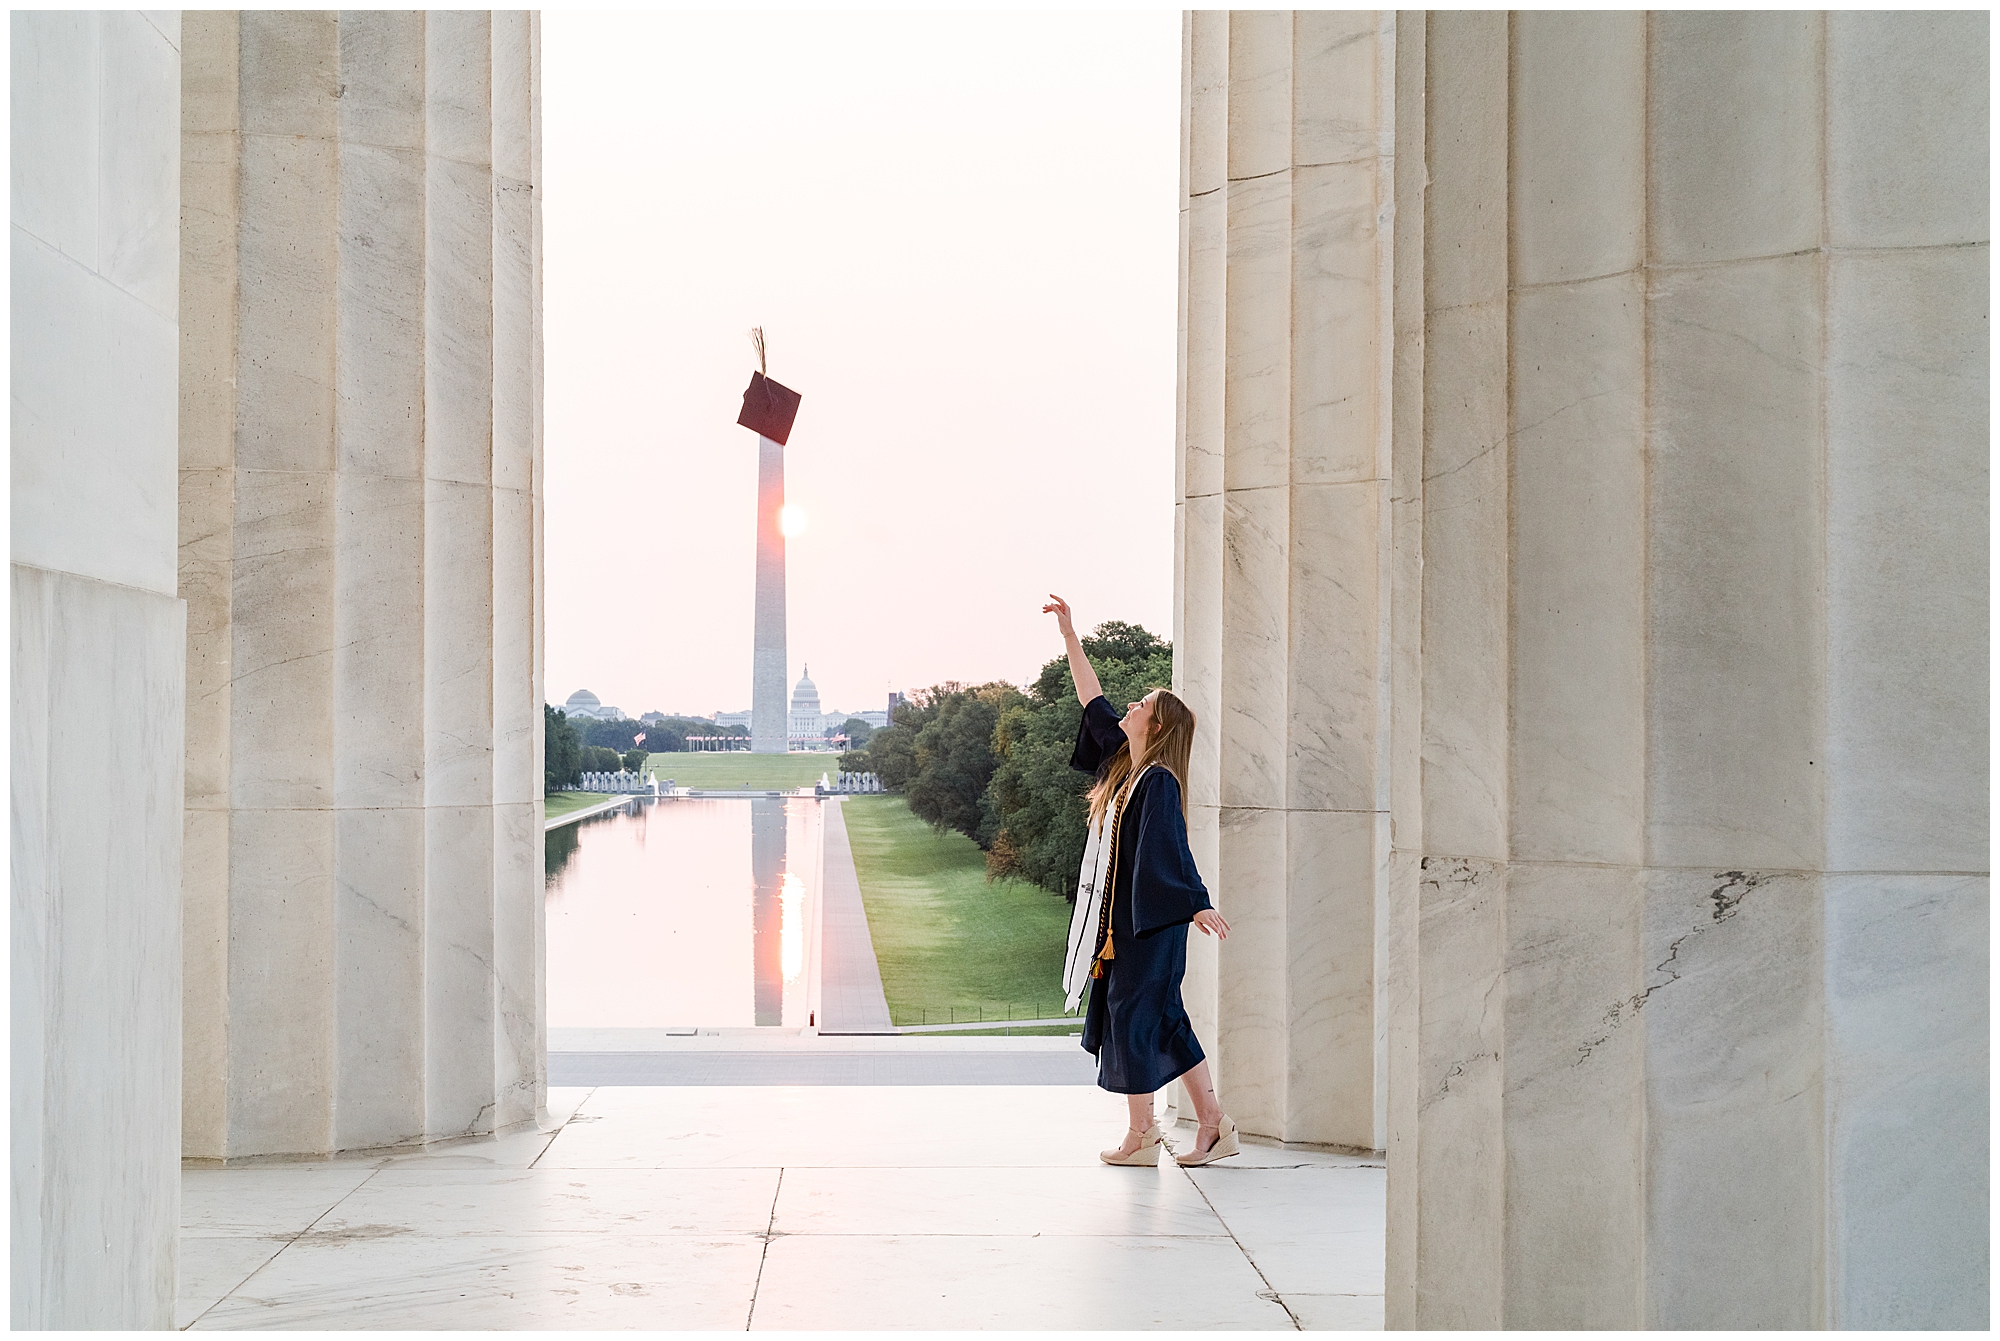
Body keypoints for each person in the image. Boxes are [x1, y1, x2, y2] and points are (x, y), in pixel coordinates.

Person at [1043, 594, 1237, 1167]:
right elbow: (1092, 699)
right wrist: (1070, 635)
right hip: (1125, 924)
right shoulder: (1126, 765)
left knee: (1133, 1016)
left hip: (1147, 926)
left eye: (1143, 702)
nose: (1130, 703)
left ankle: (1143, 1135)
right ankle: (1212, 1126)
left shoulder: (1157, 781)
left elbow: (1168, 847)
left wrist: (1194, 902)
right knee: (1163, 1020)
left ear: (1156, 724)